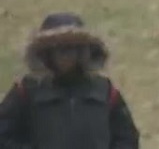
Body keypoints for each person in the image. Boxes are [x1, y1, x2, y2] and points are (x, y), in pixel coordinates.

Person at [0, 12, 139, 149]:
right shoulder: (26, 91)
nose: (66, 55)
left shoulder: (105, 91)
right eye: (59, 49)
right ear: (46, 53)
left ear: (83, 52)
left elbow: (127, 138)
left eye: (72, 48)